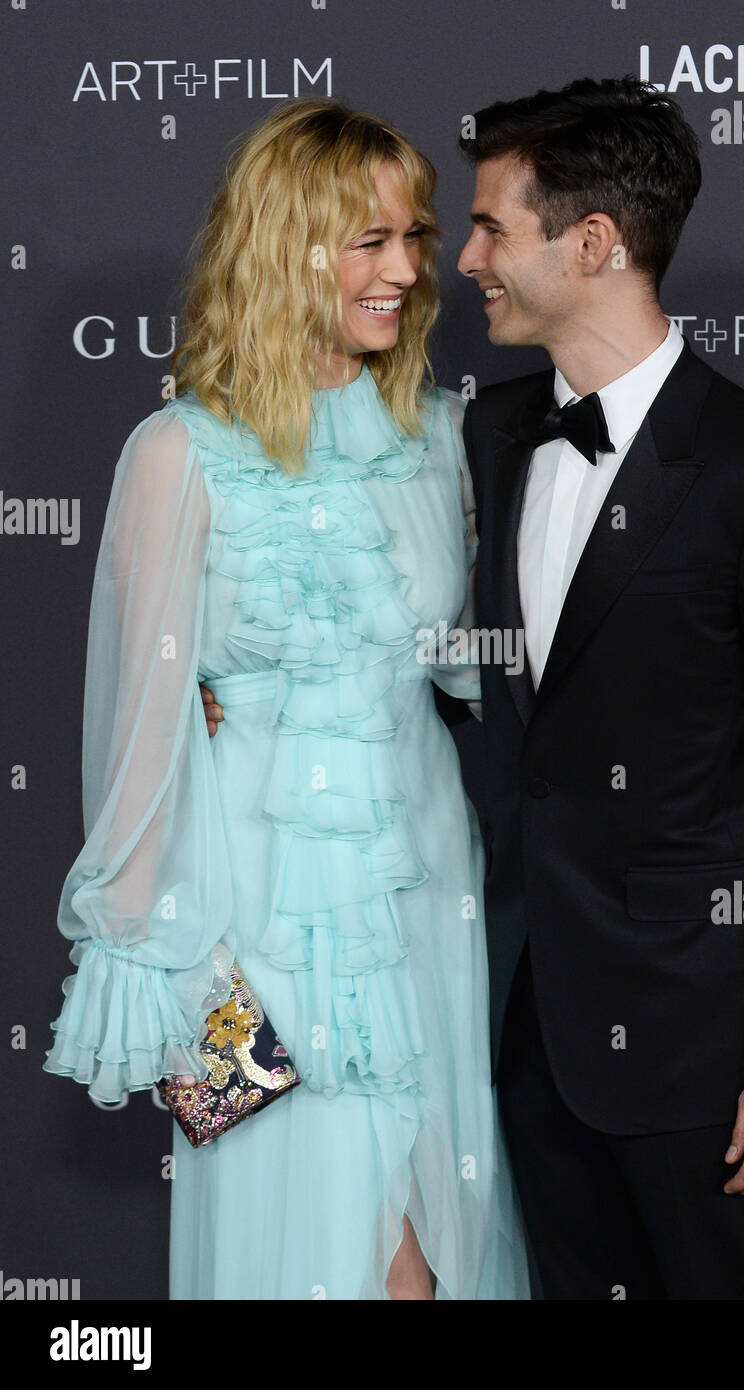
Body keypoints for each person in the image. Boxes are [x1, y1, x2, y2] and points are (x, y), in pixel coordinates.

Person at [43, 97, 529, 1302]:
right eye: (370, 241)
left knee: (443, 1251)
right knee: (317, 1258)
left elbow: (478, 673)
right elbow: (140, 745)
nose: (410, 270)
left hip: (424, 908)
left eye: (415, 238)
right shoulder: (177, 453)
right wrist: (162, 988)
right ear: (283, 244)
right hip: (249, 929)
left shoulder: (436, 439)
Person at [451, 75, 744, 1299]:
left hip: (699, 1045)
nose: (465, 258)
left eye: (491, 228)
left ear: (591, 242)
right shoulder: (489, 433)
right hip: (522, 1025)